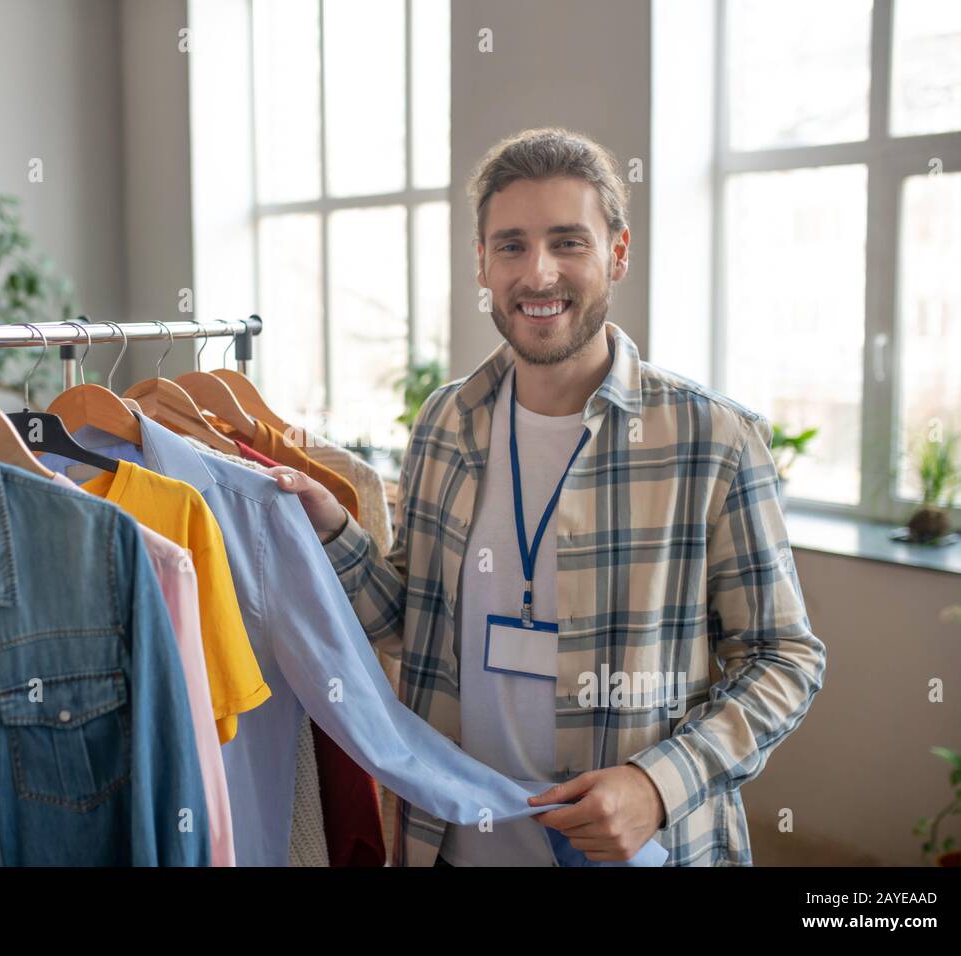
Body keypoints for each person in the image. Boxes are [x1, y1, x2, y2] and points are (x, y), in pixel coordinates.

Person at [269, 127, 825, 867]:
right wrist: (333, 527)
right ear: (482, 262)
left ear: (616, 253)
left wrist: (656, 784)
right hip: (455, 841)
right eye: (511, 246)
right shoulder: (445, 421)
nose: (538, 274)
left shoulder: (711, 438)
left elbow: (785, 658)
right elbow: (412, 621)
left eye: (568, 242)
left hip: (641, 849)